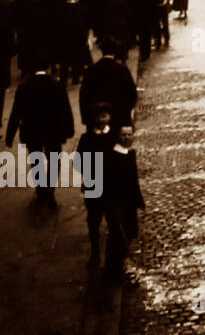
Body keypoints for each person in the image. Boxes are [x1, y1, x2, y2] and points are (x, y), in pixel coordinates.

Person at [77, 101, 145, 283]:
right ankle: (94, 251)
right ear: (92, 119)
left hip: (111, 188)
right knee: (93, 220)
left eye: (105, 115)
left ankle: (114, 262)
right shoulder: (86, 139)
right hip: (93, 185)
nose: (102, 119)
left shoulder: (114, 138)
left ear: (109, 117)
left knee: (114, 222)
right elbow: (78, 163)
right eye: (98, 116)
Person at [5, 58, 75, 206]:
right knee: (54, 160)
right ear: (49, 67)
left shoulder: (24, 87)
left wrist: (9, 136)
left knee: (36, 160)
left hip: (32, 131)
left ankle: (40, 189)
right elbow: (66, 110)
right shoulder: (57, 86)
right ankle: (50, 189)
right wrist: (69, 129)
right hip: (54, 131)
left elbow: (16, 113)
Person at [79, 42, 137, 131]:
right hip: (119, 119)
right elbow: (132, 95)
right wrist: (126, 113)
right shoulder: (122, 69)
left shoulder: (91, 71)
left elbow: (84, 97)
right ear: (114, 53)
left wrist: (87, 120)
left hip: (97, 121)